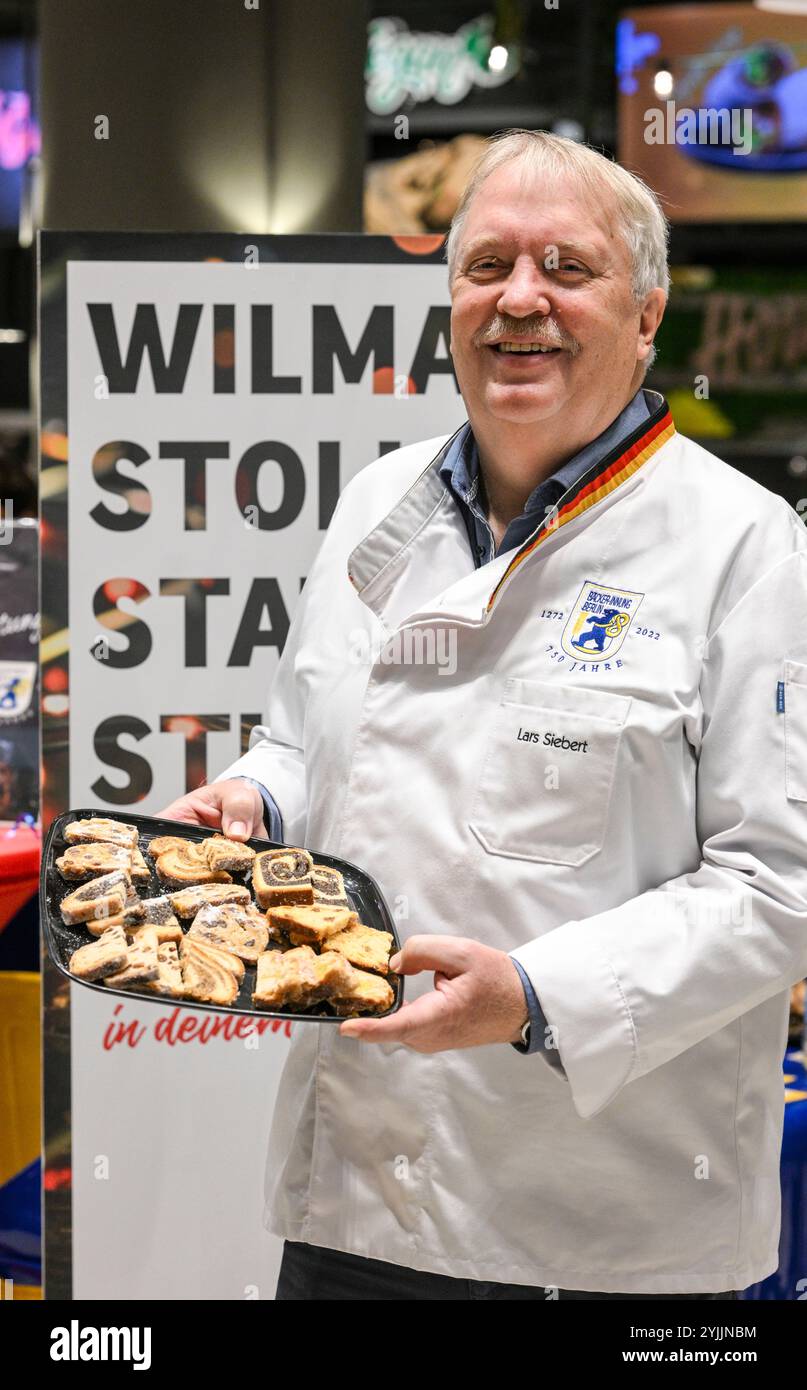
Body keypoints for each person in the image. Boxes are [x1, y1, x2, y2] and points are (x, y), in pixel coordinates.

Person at [158, 130, 807, 1300]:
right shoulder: (374, 504)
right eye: (486, 265)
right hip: (353, 1199)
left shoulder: (749, 547)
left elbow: (780, 884)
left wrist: (539, 996)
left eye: (568, 267)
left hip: (604, 1230)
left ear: (649, 312)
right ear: (449, 298)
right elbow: (309, 741)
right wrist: (257, 798)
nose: (521, 299)